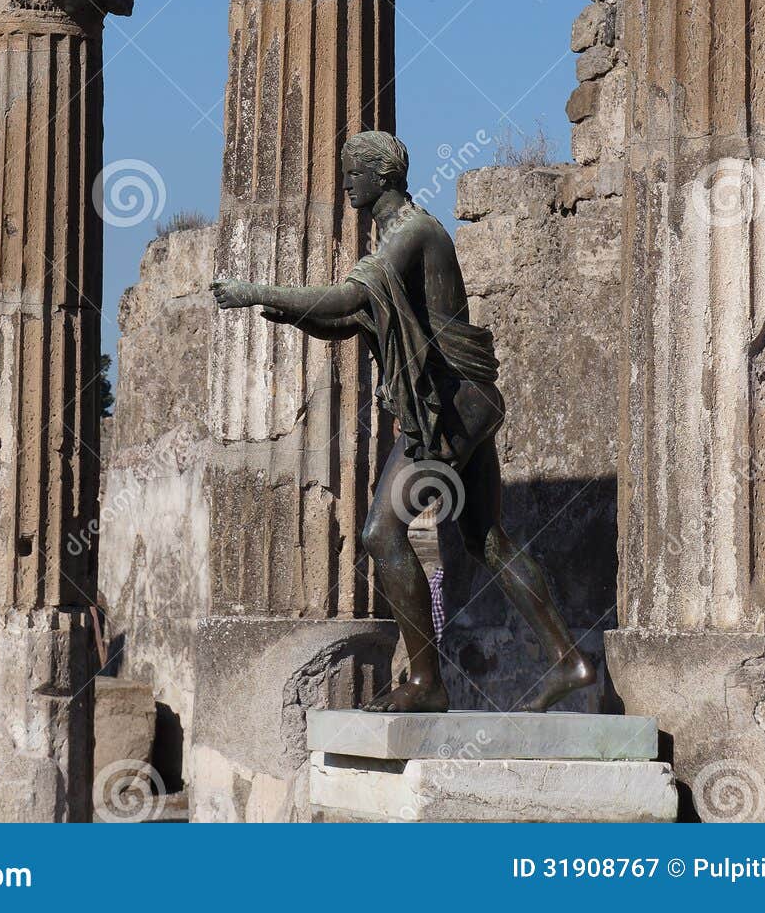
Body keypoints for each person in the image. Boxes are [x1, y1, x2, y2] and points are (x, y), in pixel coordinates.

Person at [213, 130, 594, 713]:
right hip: (466, 400)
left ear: (383, 176)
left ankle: (426, 682)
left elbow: (346, 301)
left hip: (451, 408)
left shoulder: (412, 232)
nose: (346, 182)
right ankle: (571, 662)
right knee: (485, 540)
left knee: (380, 534)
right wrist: (291, 314)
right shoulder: (396, 237)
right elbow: (355, 319)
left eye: (354, 170)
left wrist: (254, 291)